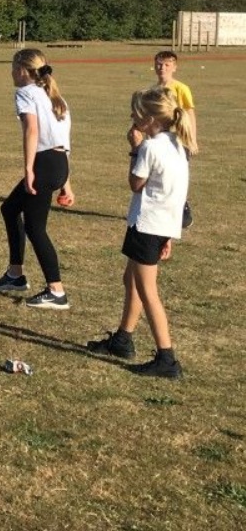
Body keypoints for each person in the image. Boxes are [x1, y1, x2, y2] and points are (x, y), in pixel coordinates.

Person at [87, 86, 196, 378]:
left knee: (148, 291)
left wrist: (134, 150)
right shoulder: (177, 145)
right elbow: (176, 192)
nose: (132, 119)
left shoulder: (150, 147)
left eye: (136, 115)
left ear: (149, 120)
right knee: (130, 279)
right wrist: (170, 235)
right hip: (160, 225)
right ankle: (123, 339)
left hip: (147, 224)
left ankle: (167, 358)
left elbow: (136, 184)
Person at [0, 49, 72, 308]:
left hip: (44, 163)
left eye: (13, 67)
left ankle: (56, 291)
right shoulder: (54, 96)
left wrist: (29, 169)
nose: (11, 73)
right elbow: (64, 142)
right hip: (58, 164)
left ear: (23, 71)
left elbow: (32, 131)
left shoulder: (26, 93)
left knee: (36, 228)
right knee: (10, 208)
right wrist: (66, 183)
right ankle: (15, 274)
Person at [149, 49, 197, 228]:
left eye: (167, 65)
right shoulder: (153, 90)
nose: (162, 68)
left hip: (178, 140)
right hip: (159, 140)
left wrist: (192, 139)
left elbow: (189, 114)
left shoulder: (181, 88)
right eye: (159, 64)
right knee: (159, 175)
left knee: (178, 175)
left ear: (174, 67)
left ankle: (183, 207)